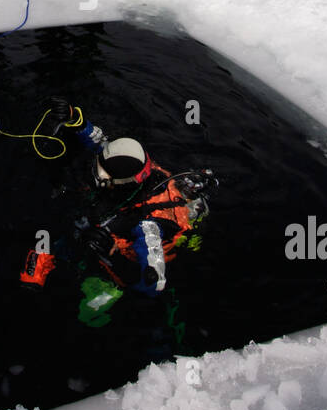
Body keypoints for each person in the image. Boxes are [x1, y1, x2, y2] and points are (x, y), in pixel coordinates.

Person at [20, 99, 213, 327]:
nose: (97, 177)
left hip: (120, 263)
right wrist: (76, 119)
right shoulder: (134, 167)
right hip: (107, 225)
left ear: (124, 182)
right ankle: (31, 283)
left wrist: (112, 257)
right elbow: (101, 143)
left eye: (104, 177)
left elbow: (154, 285)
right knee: (65, 237)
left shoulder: (149, 225)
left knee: (87, 314)